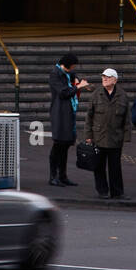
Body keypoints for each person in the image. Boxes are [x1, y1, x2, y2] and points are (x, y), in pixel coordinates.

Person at [84, 67, 133, 199]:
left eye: (108, 77)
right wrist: (88, 136)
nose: (104, 79)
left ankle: (117, 192)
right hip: (99, 136)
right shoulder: (96, 94)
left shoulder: (122, 95)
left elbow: (127, 118)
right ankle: (102, 191)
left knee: (115, 167)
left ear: (115, 80)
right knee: (99, 166)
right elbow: (89, 116)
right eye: (103, 77)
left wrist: (127, 136)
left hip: (115, 137)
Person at [48, 53, 88, 187]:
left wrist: (78, 82)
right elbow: (63, 92)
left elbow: (75, 77)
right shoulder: (55, 74)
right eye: (72, 66)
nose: (73, 69)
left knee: (65, 145)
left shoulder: (67, 73)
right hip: (59, 113)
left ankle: (62, 175)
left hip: (68, 112)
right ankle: (53, 176)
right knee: (58, 144)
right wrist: (78, 87)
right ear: (65, 65)